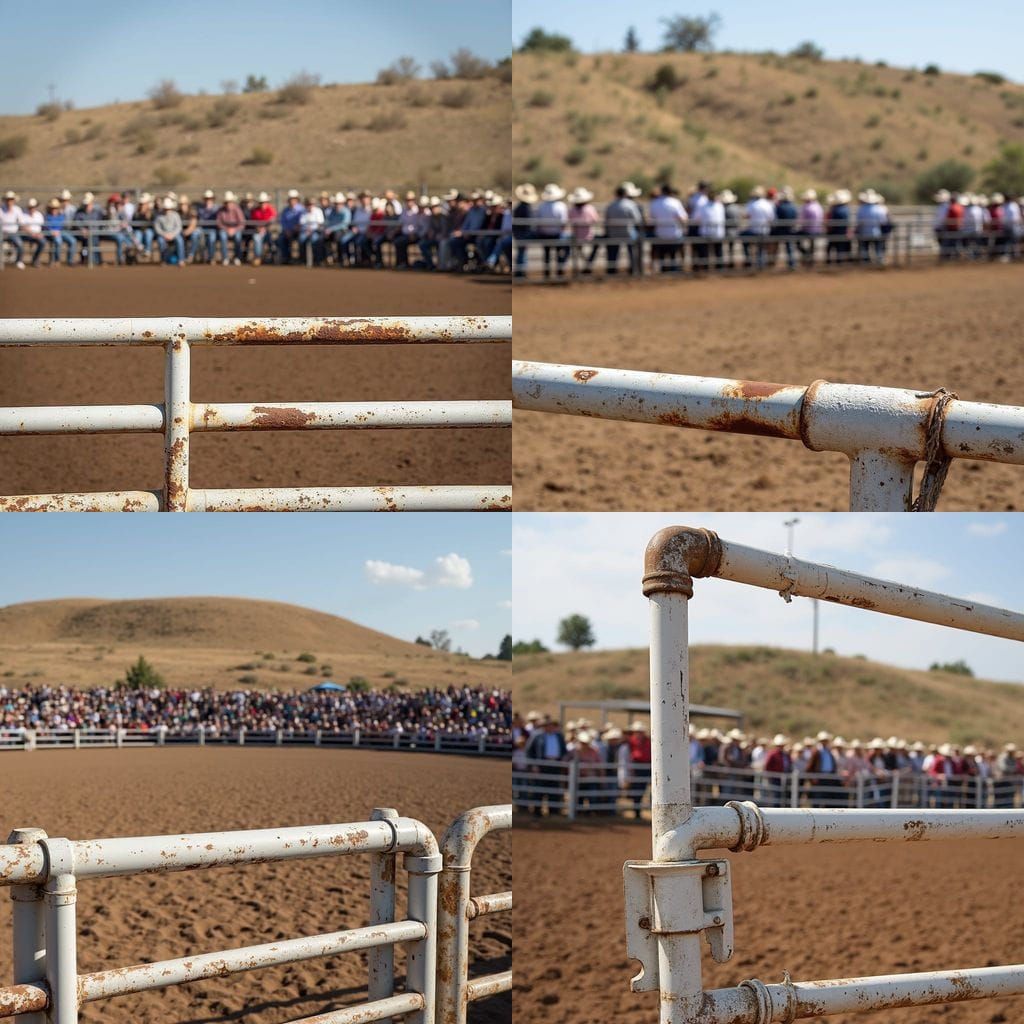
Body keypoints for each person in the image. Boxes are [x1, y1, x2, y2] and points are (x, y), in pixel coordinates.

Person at [525, 717, 568, 816]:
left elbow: (564, 751)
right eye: (547, 725)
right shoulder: (537, 736)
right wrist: (534, 765)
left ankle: (554, 812)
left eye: (551, 725)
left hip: (555, 765)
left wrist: (563, 760)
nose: (550, 727)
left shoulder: (559, 736)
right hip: (542, 766)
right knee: (539, 789)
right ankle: (537, 812)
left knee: (554, 789)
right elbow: (529, 751)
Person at [603, 181, 644, 275]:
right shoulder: (630, 205)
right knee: (634, 248)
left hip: (613, 234)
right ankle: (634, 269)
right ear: (625, 194)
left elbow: (606, 220)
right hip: (628, 233)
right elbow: (637, 219)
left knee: (612, 251)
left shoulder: (610, 205)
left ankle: (611, 270)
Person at [648, 184, 687, 273]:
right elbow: (683, 218)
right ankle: (673, 273)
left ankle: (664, 272)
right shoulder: (675, 202)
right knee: (673, 256)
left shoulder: (655, 203)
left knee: (662, 256)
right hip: (674, 234)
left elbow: (651, 219)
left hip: (660, 234)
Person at [535, 183, 569, 278]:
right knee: (561, 252)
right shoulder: (561, 206)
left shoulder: (541, 206)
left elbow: (538, 221)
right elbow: (563, 222)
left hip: (544, 234)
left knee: (547, 254)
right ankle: (559, 272)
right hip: (557, 234)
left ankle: (547, 273)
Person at [567, 186, 600, 273]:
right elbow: (596, 219)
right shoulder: (590, 208)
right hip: (589, 236)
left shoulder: (572, 210)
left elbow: (569, 220)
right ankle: (588, 263)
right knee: (597, 244)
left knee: (579, 250)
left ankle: (585, 264)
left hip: (576, 236)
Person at [741, 186, 774, 269]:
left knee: (743, 238)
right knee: (761, 248)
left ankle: (748, 260)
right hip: (765, 230)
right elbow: (771, 218)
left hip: (753, 231)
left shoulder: (751, 204)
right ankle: (761, 264)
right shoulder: (767, 204)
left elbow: (746, 216)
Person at [694, 188, 726, 271]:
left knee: (709, 253)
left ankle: (709, 269)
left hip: (708, 232)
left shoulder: (704, 206)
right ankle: (716, 269)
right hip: (714, 232)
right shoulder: (719, 206)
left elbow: (696, 219)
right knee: (715, 252)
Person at [626, 719, 652, 817]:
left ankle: (640, 810)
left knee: (643, 789)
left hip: (646, 767)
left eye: (640, 732)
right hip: (635, 767)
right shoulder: (631, 741)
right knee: (636, 790)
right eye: (637, 731)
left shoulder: (648, 741)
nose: (639, 733)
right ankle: (636, 811)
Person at [511, 182, 537, 278]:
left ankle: (520, 271)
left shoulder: (519, 207)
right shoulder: (525, 207)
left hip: (519, 232)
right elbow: (529, 222)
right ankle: (520, 272)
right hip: (524, 233)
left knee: (521, 252)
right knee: (522, 252)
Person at [43, 197, 77, 266]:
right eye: (52, 208)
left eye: (55, 208)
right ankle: (57, 260)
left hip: (60, 232)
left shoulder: (61, 215)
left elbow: (62, 225)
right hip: (52, 233)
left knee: (73, 241)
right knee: (58, 241)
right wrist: (52, 231)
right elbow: (45, 226)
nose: (54, 209)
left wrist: (59, 231)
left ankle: (70, 260)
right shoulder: (47, 216)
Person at [796, 188, 824, 266]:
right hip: (817, 230)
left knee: (796, 239)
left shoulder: (806, 207)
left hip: (808, 230)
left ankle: (806, 254)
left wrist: (801, 226)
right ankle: (810, 259)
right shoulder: (818, 206)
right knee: (812, 244)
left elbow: (801, 220)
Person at [217, 191, 246, 265]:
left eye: (230, 202)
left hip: (236, 229)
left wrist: (234, 229)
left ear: (233, 202)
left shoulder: (237, 209)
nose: (228, 204)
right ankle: (225, 258)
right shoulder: (221, 210)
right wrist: (227, 229)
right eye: (227, 202)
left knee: (238, 237)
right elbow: (219, 223)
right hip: (225, 229)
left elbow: (242, 223)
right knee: (222, 236)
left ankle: (237, 257)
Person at [154, 197, 185, 266]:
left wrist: (172, 235)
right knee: (160, 241)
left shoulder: (175, 215)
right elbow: (157, 228)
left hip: (174, 234)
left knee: (180, 240)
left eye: (168, 209)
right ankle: (163, 260)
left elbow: (178, 227)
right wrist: (164, 234)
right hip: (163, 235)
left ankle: (181, 260)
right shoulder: (159, 216)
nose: (167, 211)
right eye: (166, 209)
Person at [249, 191, 276, 266]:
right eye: (261, 203)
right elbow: (253, 221)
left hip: (269, 232)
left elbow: (273, 220)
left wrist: (265, 228)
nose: (263, 204)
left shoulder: (270, 210)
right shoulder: (255, 211)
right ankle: (258, 257)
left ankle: (273, 257)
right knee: (256, 238)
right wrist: (258, 228)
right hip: (258, 231)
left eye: (264, 202)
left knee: (272, 242)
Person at [4, 190, 29, 268]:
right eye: (8, 199)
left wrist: (31, 232)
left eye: (11, 199)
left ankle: (19, 261)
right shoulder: (1, 210)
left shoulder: (17, 209)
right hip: (2, 233)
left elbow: (22, 223)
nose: (9, 201)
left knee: (20, 244)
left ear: (14, 201)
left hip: (13, 233)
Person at [21, 198, 45, 267]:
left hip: (37, 235)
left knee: (43, 242)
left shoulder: (39, 215)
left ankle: (35, 260)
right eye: (30, 207)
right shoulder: (24, 214)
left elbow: (42, 226)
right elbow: (23, 227)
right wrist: (33, 233)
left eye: (33, 207)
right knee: (19, 242)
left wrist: (40, 233)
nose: (32, 208)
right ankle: (19, 260)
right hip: (26, 235)